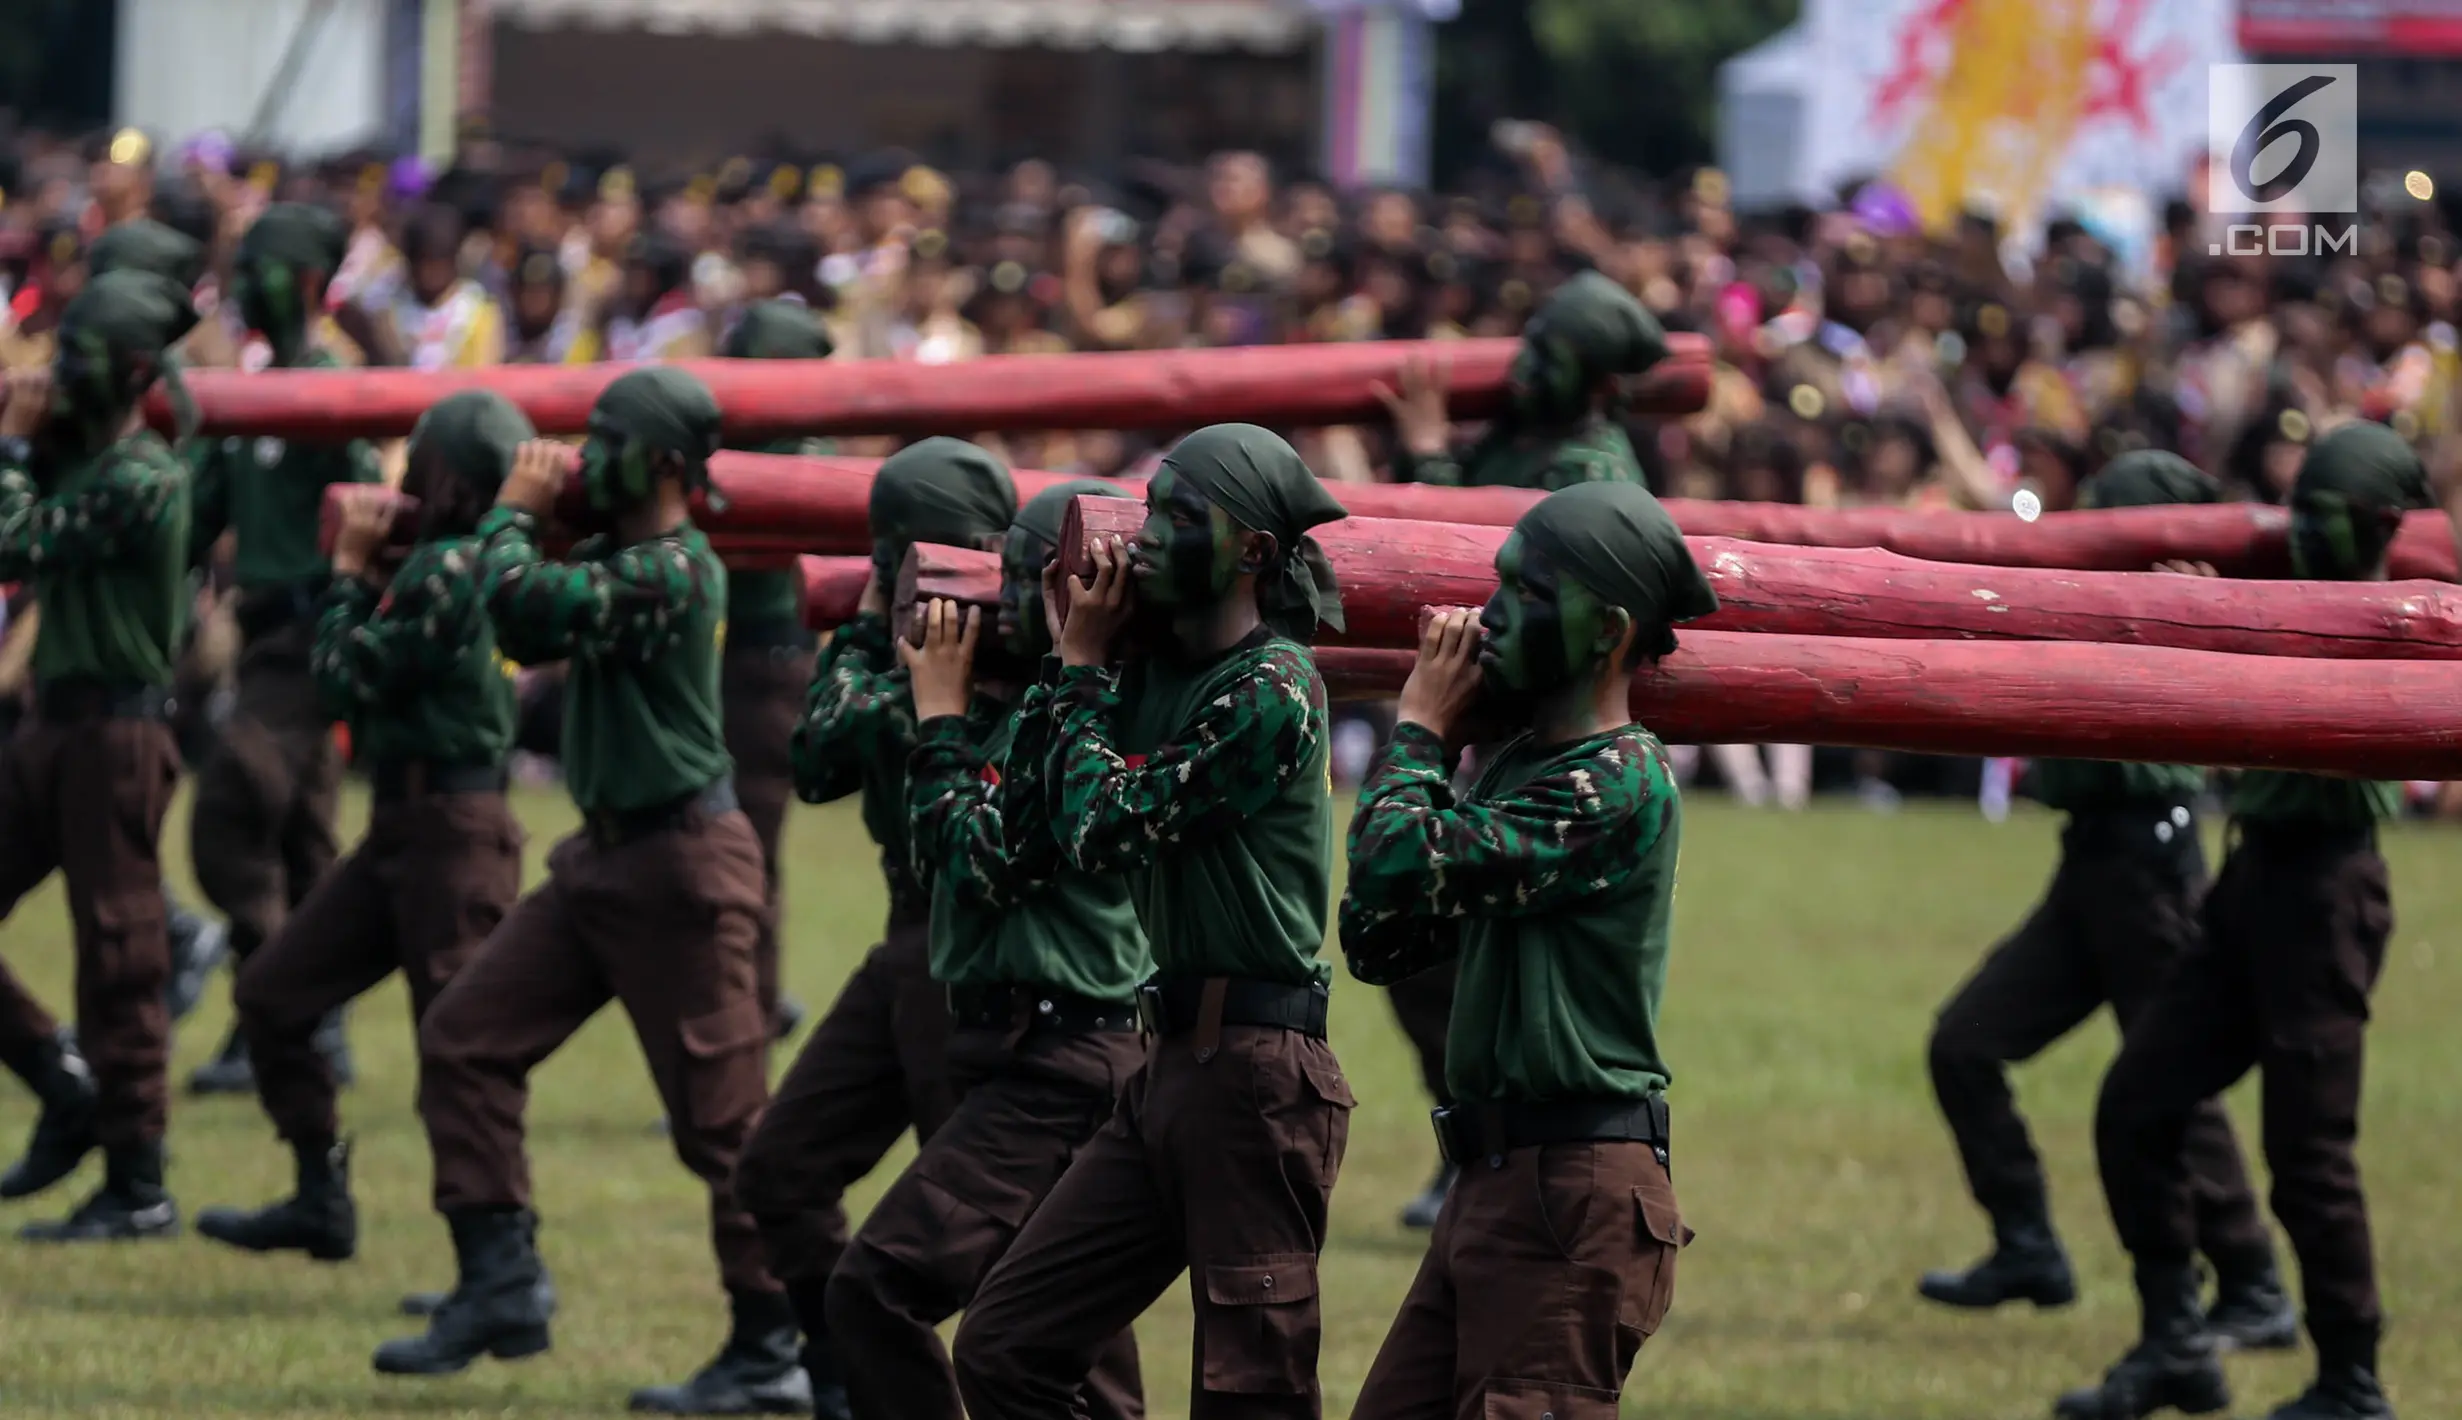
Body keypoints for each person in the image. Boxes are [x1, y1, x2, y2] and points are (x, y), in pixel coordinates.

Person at [374, 368, 798, 1412]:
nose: (582, 458)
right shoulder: (617, 558)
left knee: (723, 1129)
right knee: (465, 1038)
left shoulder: (678, 570)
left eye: (606, 442)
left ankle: (778, 1344)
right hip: (602, 858)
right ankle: (501, 1283)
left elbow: (524, 601)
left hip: (681, 866)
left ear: (663, 465)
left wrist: (512, 513)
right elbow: (527, 633)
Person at [952, 423, 1356, 1420]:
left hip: (1256, 1073)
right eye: (1146, 513)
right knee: (1005, 1344)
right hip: (1165, 1062)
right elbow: (1020, 843)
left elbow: (1102, 829)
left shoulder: (1274, 687)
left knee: (1250, 1395)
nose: (1144, 539)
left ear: (1251, 550)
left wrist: (1085, 670)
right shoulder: (1144, 675)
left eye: (1177, 518)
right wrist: (1071, 665)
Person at [2056, 421, 2422, 1420]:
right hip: (2249, 880)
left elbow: (2315, 693)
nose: (2303, 532)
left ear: (2379, 525)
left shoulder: (2392, 620)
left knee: (2309, 1157)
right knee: (2135, 1105)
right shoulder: (2289, 596)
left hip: (2326, 892)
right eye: (2298, 512)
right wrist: (2207, 610)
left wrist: (2217, 619)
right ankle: (2175, 1339)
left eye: (2325, 516)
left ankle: (2351, 1379)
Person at [1337, 479, 1709, 1415]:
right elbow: (1376, 941)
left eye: (1530, 593)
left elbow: (1389, 863)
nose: (1491, 615)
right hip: (1498, 1180)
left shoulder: (1618, 782)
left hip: (1569, 1192)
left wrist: (1420, 731)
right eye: (1497, 584)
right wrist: (1449, 751)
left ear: (1608, 631)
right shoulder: (1518, 768)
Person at [1920, 451, 2294, 1350]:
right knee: (1964, 1045)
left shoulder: (2178, 605)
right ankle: (2029, 1244)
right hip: (2092, 863)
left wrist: (2188, 606)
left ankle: (2252, 1282)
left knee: (2170, 1082)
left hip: (2147, 866)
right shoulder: (2089, 595)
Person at [822, 479, 1151, 1420]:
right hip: (1031, 1046)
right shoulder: (1041, 710)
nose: (996, 605)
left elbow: (973, 866)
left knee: (880, 1289)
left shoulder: (1094, 717)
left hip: (1064, 1059)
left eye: (1016, 584)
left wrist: (938, 717)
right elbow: (822, 763)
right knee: (1061, 1346)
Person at [188, 391, 530, 1266]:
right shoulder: (466, 559)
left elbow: (342, 676)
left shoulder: (452, 565)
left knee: (458, 1050)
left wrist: (346, 576)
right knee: (273, 994)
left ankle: (500, 1272)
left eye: (419, 465)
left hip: (453, 831)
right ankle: (320, 1195)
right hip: (404, 826)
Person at [1372, 267, 1670, 1227]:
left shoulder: (1592, 472)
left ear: (1599, 382)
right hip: (1491, 731)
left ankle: (1488, 1144)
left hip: (1548, 741)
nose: (1524, 366)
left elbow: (1488, 563)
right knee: (1424, 951)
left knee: (1485, 947)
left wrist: (1429, 460)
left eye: (1552, 354)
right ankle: (1469, 1137)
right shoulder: (1519, 439)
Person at [732, 436, 1017, 1414]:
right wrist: (870, 623)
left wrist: (860, 627)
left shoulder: (987, 658)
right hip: (908, 941)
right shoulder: (911, 651)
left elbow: (825, 739)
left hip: (974, 955)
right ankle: (846, 1383)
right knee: (781, 1168)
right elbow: (817, 768)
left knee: (995, 1248)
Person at [0, 269, 196, 1238]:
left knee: (119, 954)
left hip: (116, 732)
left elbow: (16, 542)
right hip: (51, 724)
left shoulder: (142, 477)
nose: (59, 371)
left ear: (128, 371)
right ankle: (59, 1078)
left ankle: (137, 1178)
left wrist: (10, 446)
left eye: (78, 357)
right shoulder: (80, 458)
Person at [186, 203, 381, 1097]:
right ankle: (300, 1024)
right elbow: (203, 507)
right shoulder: (260, 388)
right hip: (264, 634)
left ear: (305, 281)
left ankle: (280, 1003)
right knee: (303, 840)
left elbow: (369, 504)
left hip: (309, 632)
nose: (243, 285)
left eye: (259, 267)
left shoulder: (330, 388)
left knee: (230, 813)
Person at [718, 301, 834, 1039]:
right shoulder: (813, 448)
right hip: (768, 662)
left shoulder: (763, 454)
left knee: (742, 859)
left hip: (762, 664)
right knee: (742, 855)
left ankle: (750, 1017)